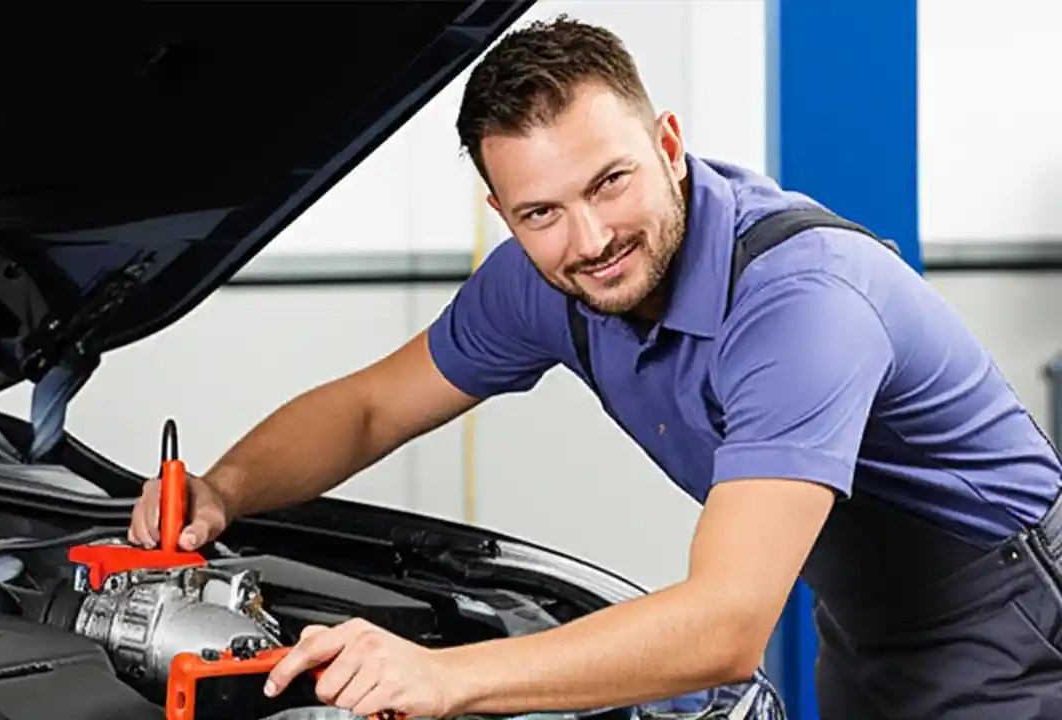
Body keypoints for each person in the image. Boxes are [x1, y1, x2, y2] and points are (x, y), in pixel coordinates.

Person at [128, 16, 1062, 720]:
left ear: (667, 144)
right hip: (865, 619)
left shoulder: (802, 305)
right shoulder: (547, 277)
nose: (592, 238)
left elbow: (728, 626)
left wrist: (445, 674)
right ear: (503, 212)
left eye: (610, 181)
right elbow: (373, 407)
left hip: (1016, 621)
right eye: (542, 212)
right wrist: (225, 488)